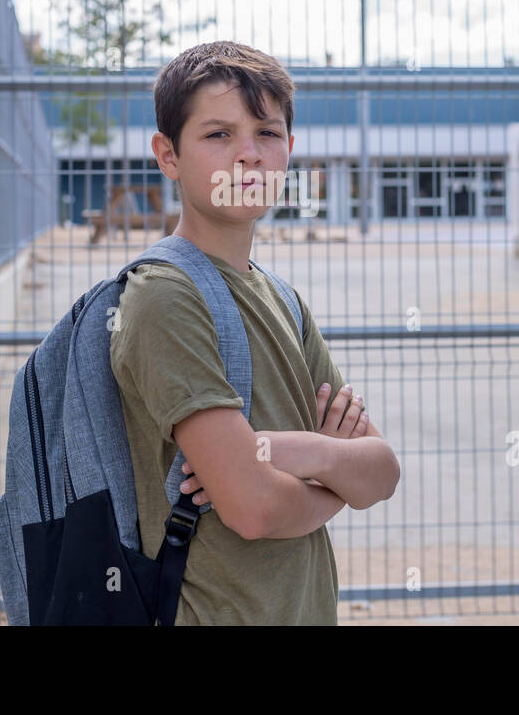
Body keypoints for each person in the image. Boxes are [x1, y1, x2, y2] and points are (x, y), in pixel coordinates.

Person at [110, 40, 401, 625]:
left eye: (267, 134)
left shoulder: (283, 299)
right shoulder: (165, 296)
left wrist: (282, 449)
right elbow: (252, 507)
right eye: (218, 135)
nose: (249, 155)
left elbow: (381, 473)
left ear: (289, 150)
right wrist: (331, 473)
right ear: (167, 155)